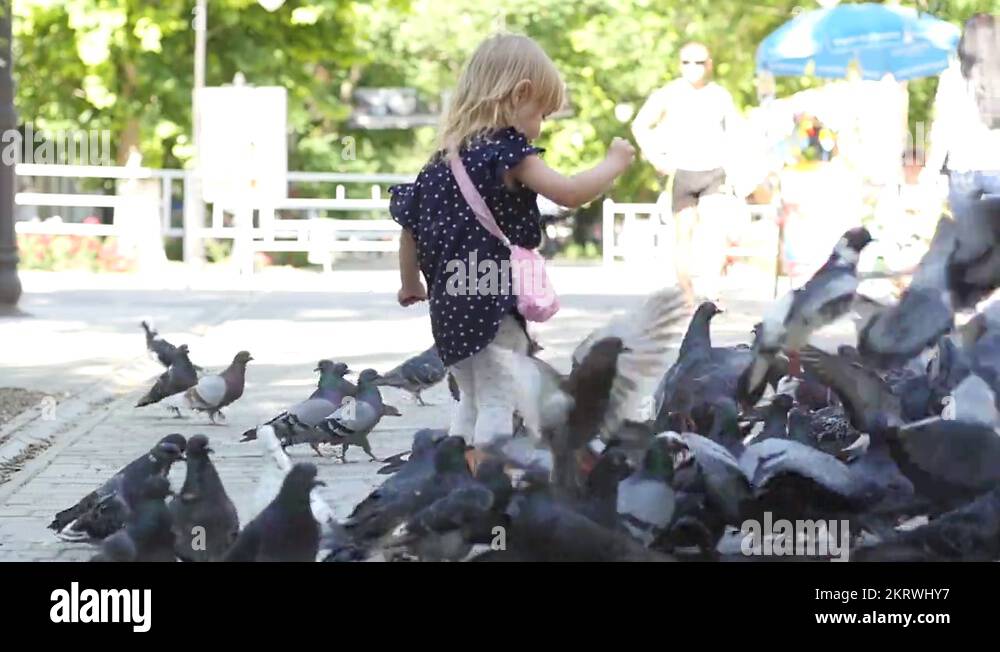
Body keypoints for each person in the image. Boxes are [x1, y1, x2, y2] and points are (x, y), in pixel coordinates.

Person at [389, 33, 635, 468]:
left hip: (449, 308)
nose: (540, 124)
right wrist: (613, 162)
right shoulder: (508, 152)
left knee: (470, 397)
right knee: (499, 400)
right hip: (491, 303)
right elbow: (571, 193)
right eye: (541, 111)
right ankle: (488, 482)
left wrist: (411, 284)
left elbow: (408, 231)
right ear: (520, 94)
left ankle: (454, 476)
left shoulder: (437, 163)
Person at [632, 41, 740, 306]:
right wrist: (657, 157)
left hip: (714, 170)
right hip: (682, 172)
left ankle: (711, 292)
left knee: (715, 231)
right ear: (680, 65)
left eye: (699, 62)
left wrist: (736, 168)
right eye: (687, 62)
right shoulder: (669, 94)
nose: (693, 68)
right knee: (684, 235)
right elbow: (640, 125)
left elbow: (736, 133)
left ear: (709, 65)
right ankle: (688, 295)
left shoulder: (719, 95)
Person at [922, 12, 1000, 279]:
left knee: (971, 252)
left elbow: (942, 127)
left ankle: (968, 308)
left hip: (963, 172)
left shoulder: (953, 76)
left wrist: (931, 172)